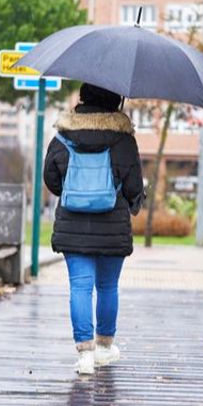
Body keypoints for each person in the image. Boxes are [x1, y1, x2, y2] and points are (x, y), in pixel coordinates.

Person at [44, 83, 145, 375]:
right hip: (112, 224)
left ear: (82, 99)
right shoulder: (124, 140)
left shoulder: (62, 137)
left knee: (80, 286)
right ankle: (103, 347)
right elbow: (134, 186)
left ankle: (84, 354)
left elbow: (51, 179)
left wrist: (74, 189)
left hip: (73, 224)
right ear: (115, 101)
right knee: (107, 286)